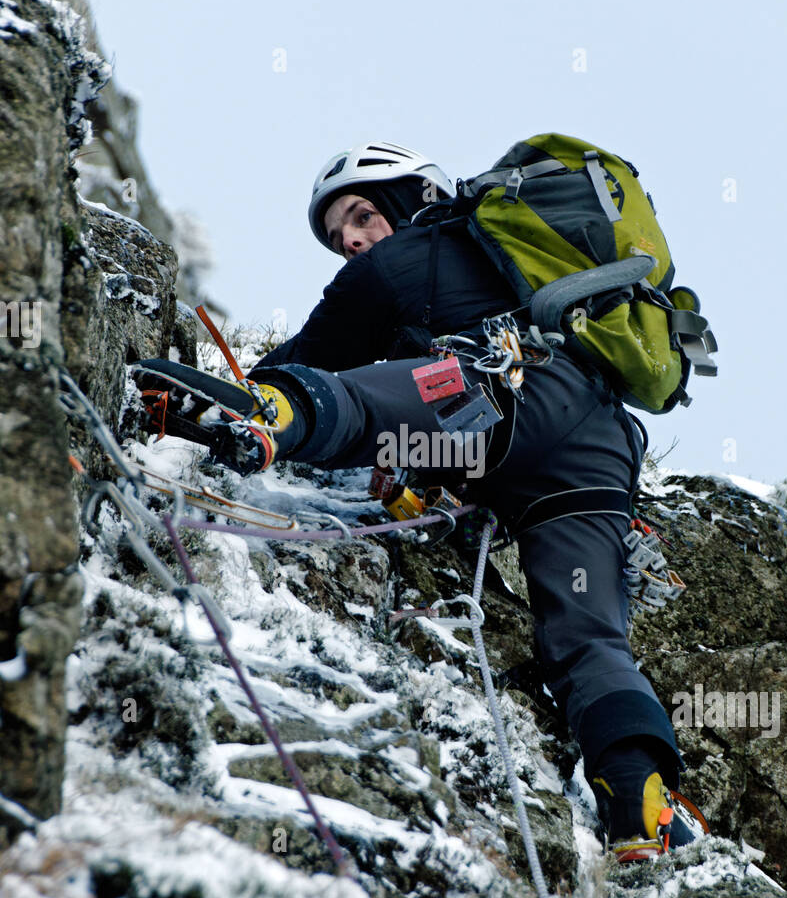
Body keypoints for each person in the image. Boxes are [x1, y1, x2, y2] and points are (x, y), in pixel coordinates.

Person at [134, 140, 696, 861]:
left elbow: (316, 356)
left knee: (371, 406)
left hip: (505, 392)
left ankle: (258, 422)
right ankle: (640, 800)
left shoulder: (412, 254)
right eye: (341, 236)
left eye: (364, 215)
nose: (354, 240)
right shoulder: (491, 263)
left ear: (413, 197)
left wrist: (263, 392)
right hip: (593, 447)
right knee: (588, 640)